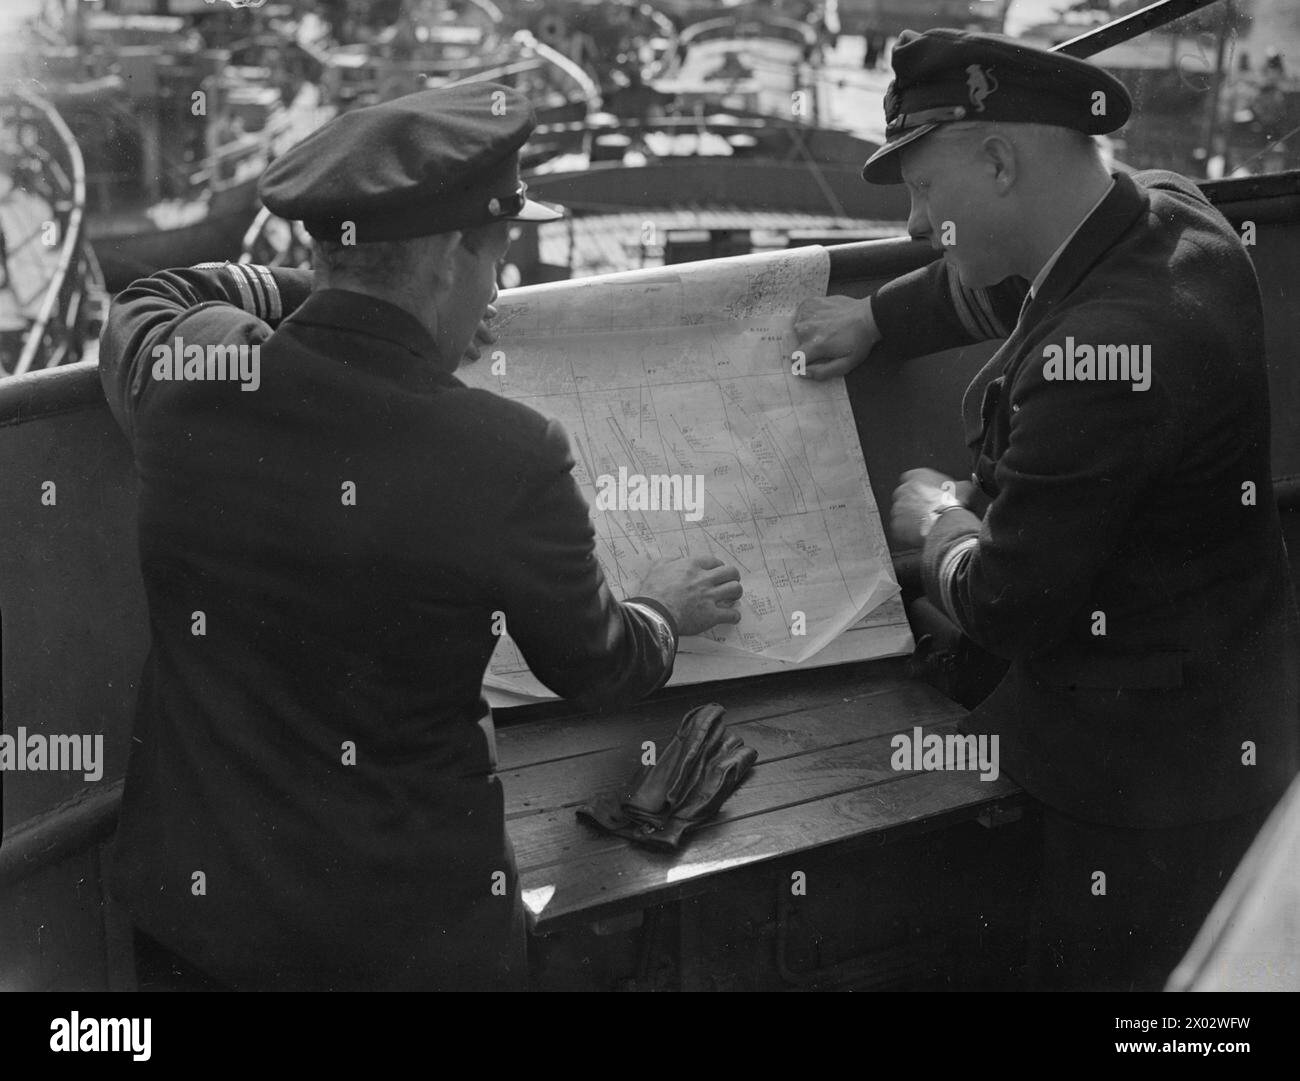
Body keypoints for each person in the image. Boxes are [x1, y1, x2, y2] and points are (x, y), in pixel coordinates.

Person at [99, 83, 743, 992]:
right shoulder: (509, 453)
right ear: (450, 258)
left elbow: (159, 293)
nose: (498, 289)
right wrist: (664, 611)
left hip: (190, 920)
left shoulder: (194, 369)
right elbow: (598, 666)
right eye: (492, 262)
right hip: (403, 943)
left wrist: (335, 299)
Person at [793, 28, 1300, 990]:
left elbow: (1007, 605)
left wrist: (938, 523)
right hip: (1236, 715)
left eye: (925, 191)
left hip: (1138, 785)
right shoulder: (1168, 215)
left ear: (998, 161)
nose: (911, 222)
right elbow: (1025, 292)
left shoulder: (1101, 360)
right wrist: (878, 318)